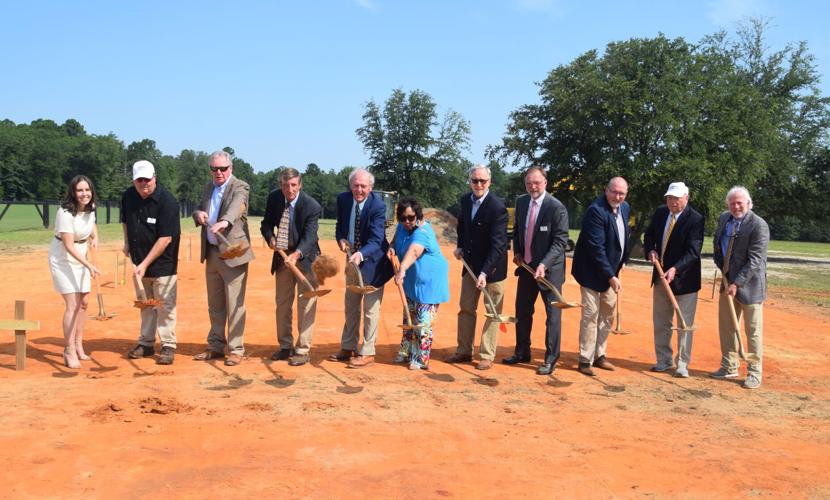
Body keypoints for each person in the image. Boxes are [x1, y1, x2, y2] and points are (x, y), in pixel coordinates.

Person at [191, 151, 254, 367]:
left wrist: (224, 222)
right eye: (214, 169)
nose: (218, 173)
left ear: (231, 169)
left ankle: (236, 349)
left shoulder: (240, 186)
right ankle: (216, 345)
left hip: (233, 252)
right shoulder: (209, 187)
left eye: (222, 169)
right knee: (215, 304)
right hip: (212, 252)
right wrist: (198, 214)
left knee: (235, 303)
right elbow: (200, 207)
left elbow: (237, 206)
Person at [505, 167, 569, 375]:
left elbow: (560, 242)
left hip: (549, 271)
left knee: (552, 316)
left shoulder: (556, 208)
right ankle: (522, 351)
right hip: (526, 268)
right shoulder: (521, 202)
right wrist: (518, 252)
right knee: (522, 311)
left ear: (545, 183)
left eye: (537, 183)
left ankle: (551, 359)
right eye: (529, 183)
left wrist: (544, 264)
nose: (533, 187)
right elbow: (517, 231)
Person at [331, 168, 393, 368]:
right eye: (355, 186)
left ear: (371, 187)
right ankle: (348, 346)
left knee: (370, 310)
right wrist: (341, 239)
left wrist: (361, 254)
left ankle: (367, 352)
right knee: (350, 305)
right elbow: (340, 226)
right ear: (350, 186)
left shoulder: (378, 206)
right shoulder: (343, 200)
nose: (359, 190)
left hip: (374, 263)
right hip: (352, 260)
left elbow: (377, 240)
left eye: (363, 186)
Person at [448, 165, 508, 371]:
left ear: (489, 182)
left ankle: (486, 355)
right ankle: (464, 351)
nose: (479, 184)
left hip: (493, 270)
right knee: (466, 308)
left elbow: (499, 245)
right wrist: (460, 246)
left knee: (492, 312)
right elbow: (463, 227)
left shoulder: (498, 207)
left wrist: (484, 272)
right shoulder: (465, 201)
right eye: (475, 181)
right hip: (470, 267)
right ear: (469, 181)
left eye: (483, 181)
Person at [260, 167, 322, 366]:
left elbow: (311, 236)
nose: (290, 189)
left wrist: (296, 254)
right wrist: (269, 236)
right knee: (283, 304)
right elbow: (266, 223)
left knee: (306, 304)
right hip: (282, 257)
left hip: (306, 259)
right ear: (281, 185)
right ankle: (285, 346)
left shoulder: (311, 206)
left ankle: (302, 350)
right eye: (286, 185)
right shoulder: (274, 198)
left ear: (300, 185)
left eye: (294, 185)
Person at [121, 160, 181, 365]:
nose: (143, 183)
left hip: (163, 264)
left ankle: (168, 345)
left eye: (147, 179)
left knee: (164, 305)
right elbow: (126, 220)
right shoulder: (128, 196)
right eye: (139, 180)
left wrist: (145, 264)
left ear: (154, 177)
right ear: (134, 181)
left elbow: (165, 239)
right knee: (145, 305)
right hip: (139, 261)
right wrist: (127, 242)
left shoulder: (168, 202)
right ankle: (146, 343)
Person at [643, 182, 704, 378]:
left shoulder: (695, 219)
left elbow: (693, 252)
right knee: (661, 322)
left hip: (685, 281)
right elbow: (649, 235)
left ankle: (682, 364)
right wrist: (650, 250)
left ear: (686, 198)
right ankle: (663, 360)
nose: (672, 202)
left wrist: (675, 269)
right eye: (669, 197)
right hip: (660, 278)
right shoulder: (661, 213)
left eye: (676, 198)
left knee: (684, 324)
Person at [710, 186, 769, 389]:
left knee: (752, 332)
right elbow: (717, 244)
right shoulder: (724, 218)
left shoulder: (758, 225)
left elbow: (755, 260)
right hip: (727, 283)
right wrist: (723, 269)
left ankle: (754, 372)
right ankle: (729, 366)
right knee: (727, 327)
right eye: (732, 203)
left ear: (748, 203)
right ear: (728, 204)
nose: (736, 207)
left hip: (750, 286)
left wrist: (737, 282)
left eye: (740, 203)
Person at [571, 177, 631, 376]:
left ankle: (600, 354)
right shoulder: (596, 211)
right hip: (590, 272)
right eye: (614, 192)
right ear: (606, 190)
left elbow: (623, 239)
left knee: (607, 314)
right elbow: (596, 248)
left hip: (611, 272)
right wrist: (610, 276)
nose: (618, 196)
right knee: (590, 314)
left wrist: (621, 265)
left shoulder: (625, 208)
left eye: (622, 193)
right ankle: (585, 359)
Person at [388, 197, 450, 370]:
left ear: (418, 216)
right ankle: (406, 351)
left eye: (411, 217)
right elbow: (395, 241)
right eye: (403, 218)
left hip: (429, 282)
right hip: (411, 280)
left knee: (423, 321)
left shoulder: (423, 231)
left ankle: (421, 357)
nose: (406, 221)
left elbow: (414, 251)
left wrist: (402, 269)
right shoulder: (401, 227)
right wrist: (392, 248)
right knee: (409, 316)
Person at [48, 175, 102, 368]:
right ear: (73, 192)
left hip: (82, 254)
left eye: (87, 190)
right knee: (73, 304)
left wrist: (95, 236)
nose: (84, 194)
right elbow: (69, 245)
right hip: (63, 258)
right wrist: (89, 265)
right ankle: (68, 349)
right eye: (80, 190)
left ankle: (79, 344)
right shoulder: (65, 212)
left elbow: (91, 223)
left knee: (84, 302)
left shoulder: (91, 208)